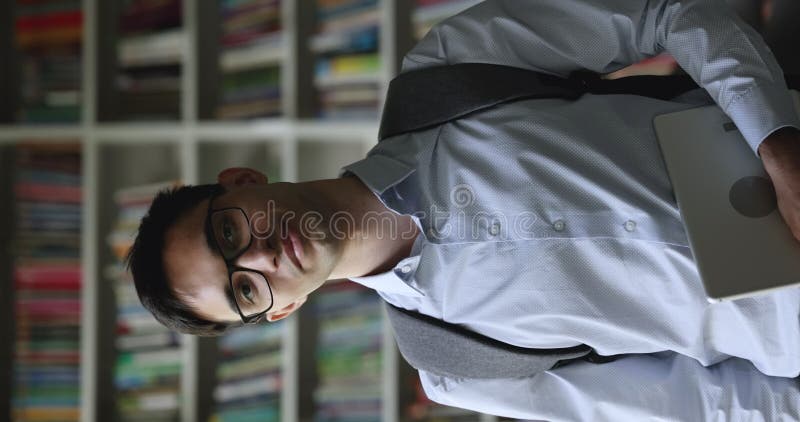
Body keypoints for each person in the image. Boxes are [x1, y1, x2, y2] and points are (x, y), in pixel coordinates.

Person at [127, 0, 800, 419]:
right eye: (243, 287)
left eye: (227, 230)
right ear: (279, 310)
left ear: (242, 180)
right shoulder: (456, 367)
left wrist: (777, 143)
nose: (260, 256)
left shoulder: (445, 70)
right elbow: (702, 408)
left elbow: (666, 11)